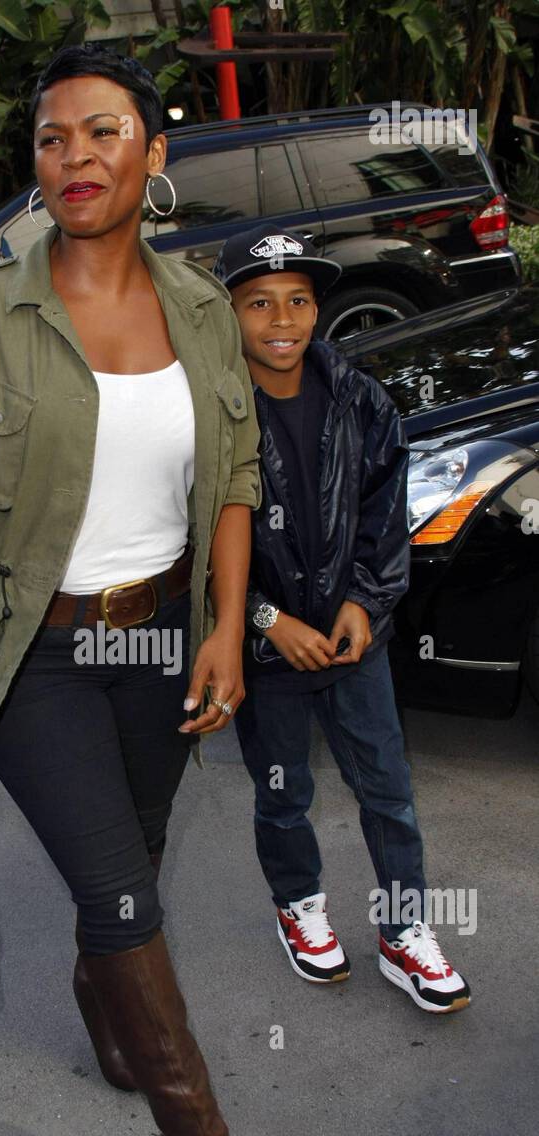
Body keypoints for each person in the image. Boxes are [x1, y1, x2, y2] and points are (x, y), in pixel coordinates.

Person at [0, 44, 284, 1136]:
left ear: (151, 156)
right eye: (53, 140)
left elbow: (233, 481)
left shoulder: (204, 309)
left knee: (138, 862)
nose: (74, 157)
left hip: (164, 632)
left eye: (101, 133)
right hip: (35, 653)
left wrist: (224, 627)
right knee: (122, 892)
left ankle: (106, 1002)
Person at [213, 225, 471, 1014]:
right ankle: (300, 905)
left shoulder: (361, 398)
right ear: (229, 314)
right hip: (266, 654)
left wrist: (366, 601)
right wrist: (265, 621)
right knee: (283, 792)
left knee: (388, 790)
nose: (281, 319)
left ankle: (404, 932)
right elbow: (199, 541)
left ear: (319, 308)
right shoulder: (216, 415)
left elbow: (386, 515)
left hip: (357, 642)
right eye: (259, 303)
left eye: (297, 300)